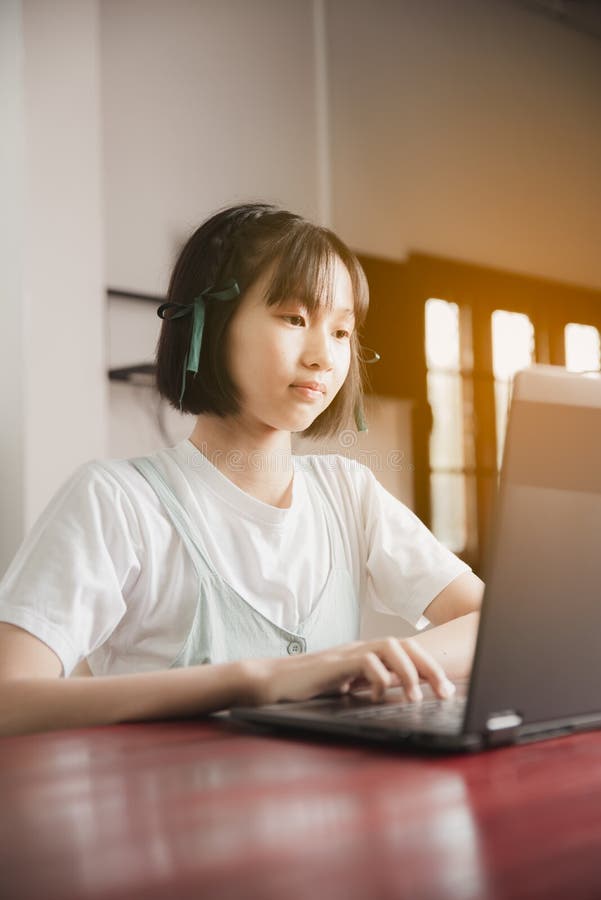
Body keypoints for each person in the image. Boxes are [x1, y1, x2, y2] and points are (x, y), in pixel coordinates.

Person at [0, 203, 483, 737]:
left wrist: (379, 663)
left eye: (343, 332)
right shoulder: (116, 501)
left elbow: (496, 626)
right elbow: (8, 699)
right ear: (209, 324)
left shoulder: (349, 492)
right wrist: (257, 680)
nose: (324, 356)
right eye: (296, 319)